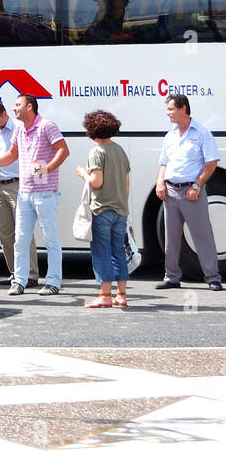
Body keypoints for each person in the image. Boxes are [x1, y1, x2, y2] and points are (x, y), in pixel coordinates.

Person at [0, 93, 69, 295]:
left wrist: (48, 168)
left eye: (18, 105)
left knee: (50, 238)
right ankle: (19, 281)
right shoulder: (19, 129)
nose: (14, 108)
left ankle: (53, 282)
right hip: (24, 192)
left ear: (29, 107)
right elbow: (12, 155)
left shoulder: (46, 125)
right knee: (20, 239)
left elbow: (63, 150)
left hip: (45, 192)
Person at [155, 94, 223, 291]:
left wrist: (197, 185)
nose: (167, 113)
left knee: (202, 235)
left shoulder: (202, 133)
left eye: (170, 109)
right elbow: (163, 163)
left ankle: (212, 278)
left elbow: (211, 163)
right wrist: (160, 182)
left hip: (191, 191)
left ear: (183, 108)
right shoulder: (170, 135)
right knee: (171, 238)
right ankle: (172, 277)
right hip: (170, 191)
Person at [75, 110, 132, 308]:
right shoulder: (119, 150)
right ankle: (121, 294)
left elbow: (96, 182)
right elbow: (126, 184)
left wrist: (83, 173)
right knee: (118, 251)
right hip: (120, 210)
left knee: (102, 252)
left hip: (102, 210)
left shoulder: (96, 152)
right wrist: (122, 204)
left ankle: (105, 295)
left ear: (92, 130)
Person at [0, 100, 39, 287]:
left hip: (18, 183)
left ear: (5, 113)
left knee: (23, 231)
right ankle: (15, 273)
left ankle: (30, 274)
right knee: (5, 232)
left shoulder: (19, 128)